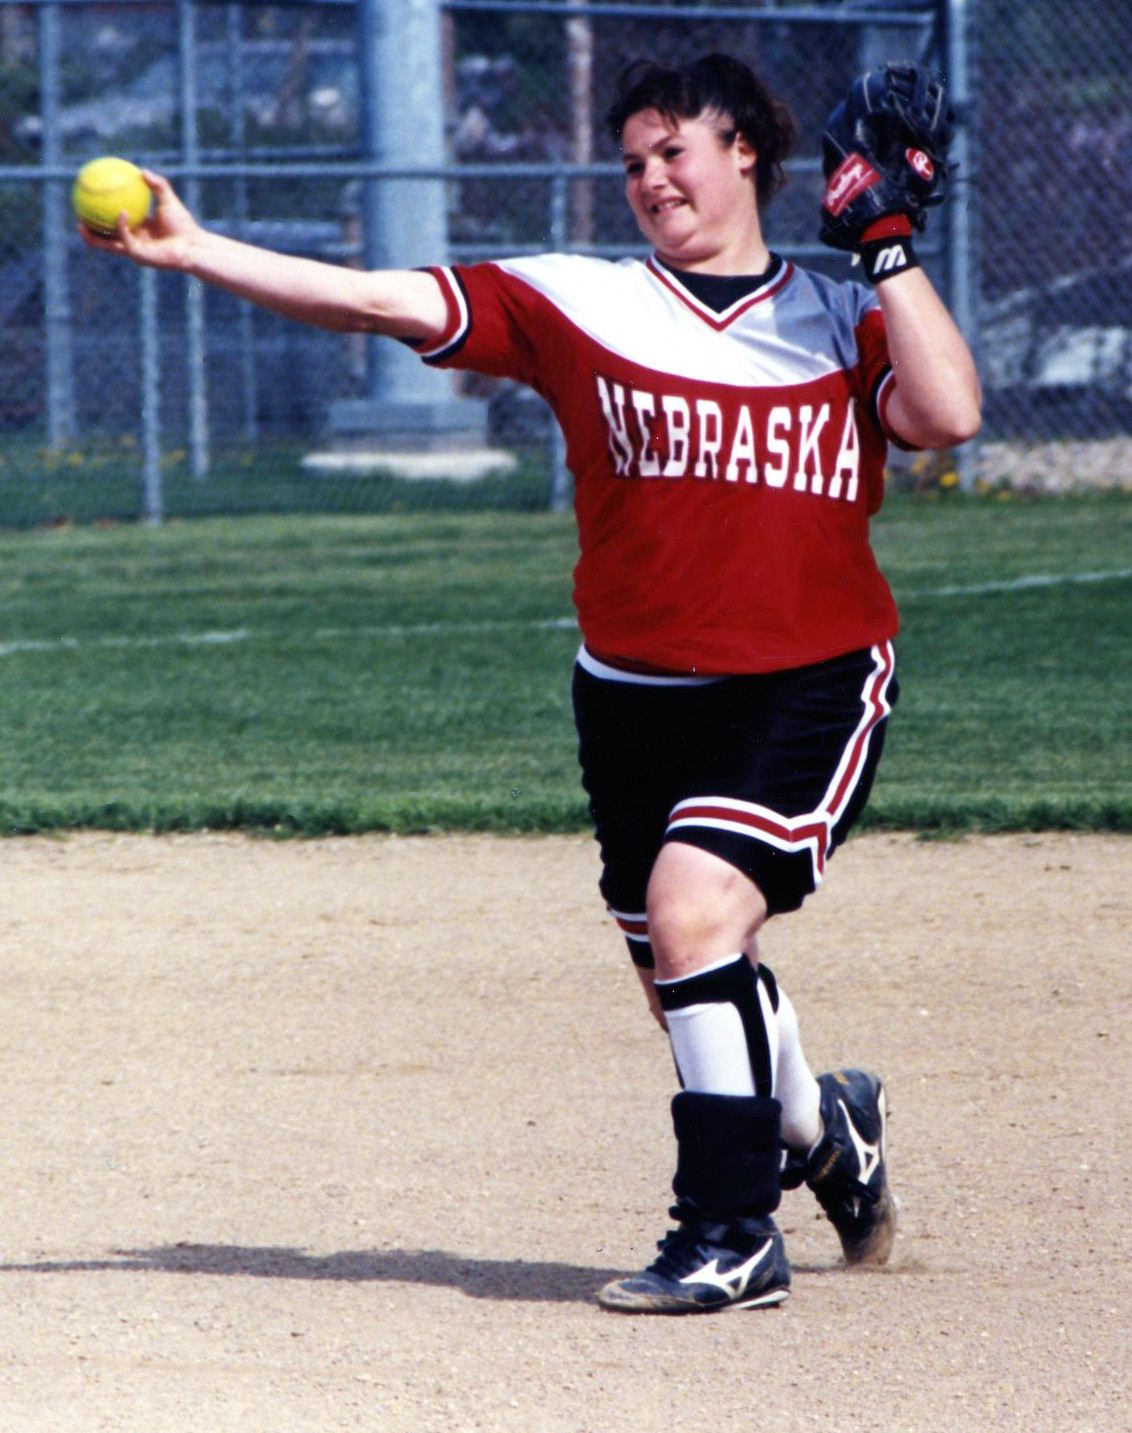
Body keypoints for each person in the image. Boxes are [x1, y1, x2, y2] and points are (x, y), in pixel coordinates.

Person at [82, 52, 980, 1314]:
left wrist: (884, 243)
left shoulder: (834, 313)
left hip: (806, 679)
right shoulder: (582, 301)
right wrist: (199, 252)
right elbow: (372, 300)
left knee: (693, 915)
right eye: (630, 162)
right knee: (681, 959)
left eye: (676, 149)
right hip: (628, 694)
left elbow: (945, 413)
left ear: (746, 157)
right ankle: (829, 1129)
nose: (651, 177)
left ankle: (729, 1232)